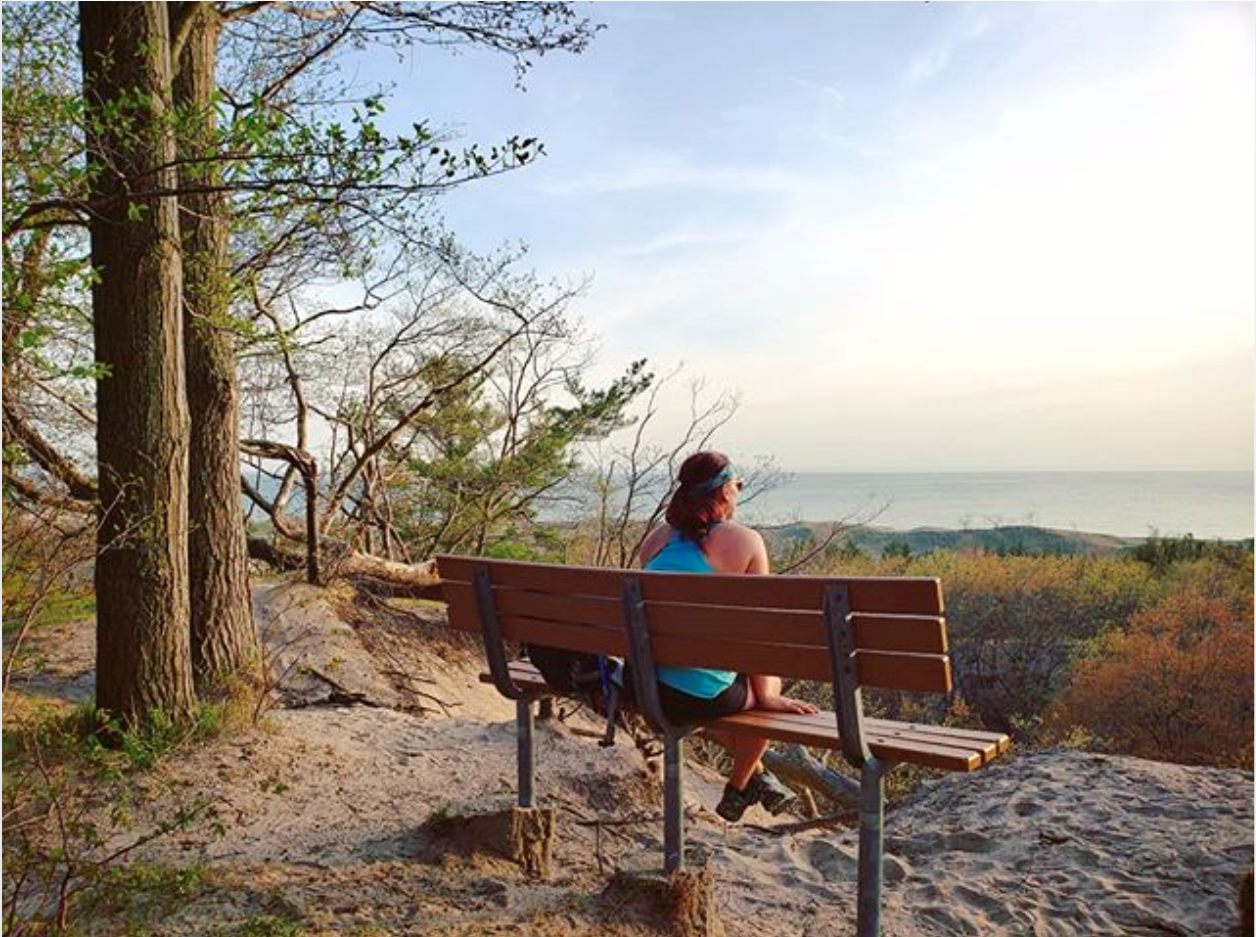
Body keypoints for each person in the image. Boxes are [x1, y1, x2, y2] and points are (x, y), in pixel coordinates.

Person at [637, 450, 818, 822]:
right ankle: (738, 787)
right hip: (698, 697)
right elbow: (759, 631)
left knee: (717, 688)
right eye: (737, 485)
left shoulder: (655, 541)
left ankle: (759, 779)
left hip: (644, 687)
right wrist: (768, 696)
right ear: (724, 492)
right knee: (764, 696)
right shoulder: (747, 542)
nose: (739, 491)